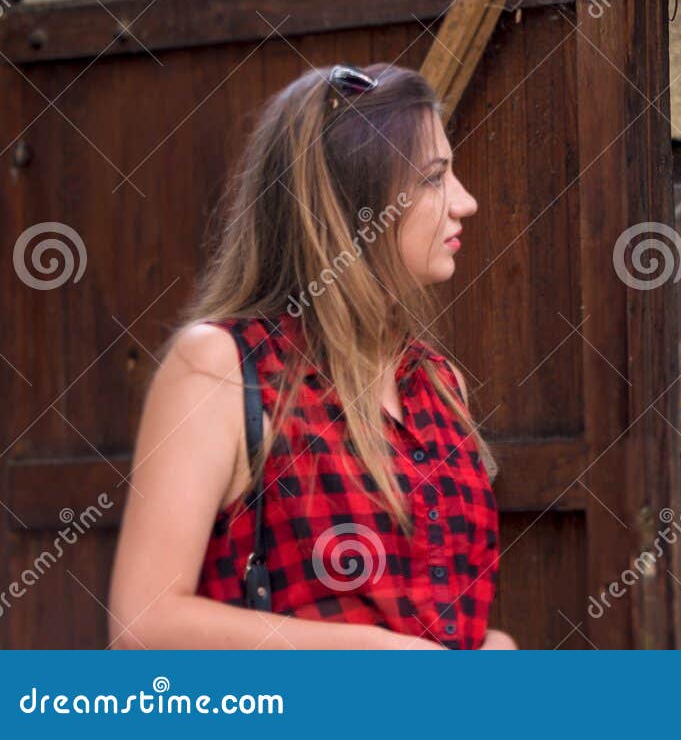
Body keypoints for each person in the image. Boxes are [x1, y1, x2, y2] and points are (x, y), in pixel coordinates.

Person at [108, 63, 512, 650]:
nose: (465, 202)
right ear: (354, 210)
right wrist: (371, 653)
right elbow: (141, 627)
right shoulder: (219, 367)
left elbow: (438, 617)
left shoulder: (438, 382)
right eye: (433, 178)